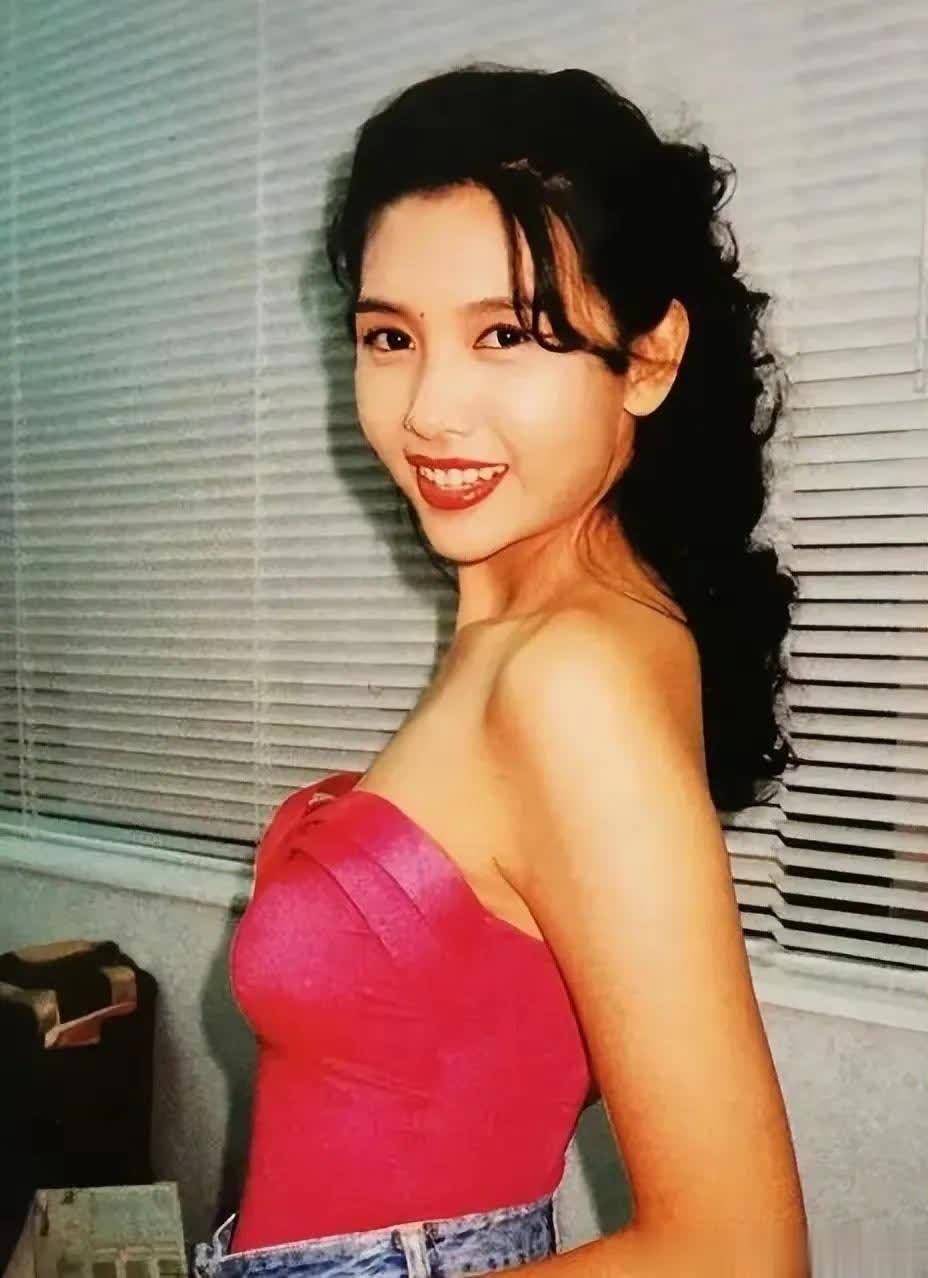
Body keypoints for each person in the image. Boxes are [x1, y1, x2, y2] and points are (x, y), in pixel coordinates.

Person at [193, 62, 810, 1278]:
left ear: (647, 357)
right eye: (390, 337)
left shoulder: (573, 678)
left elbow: (739, 1252)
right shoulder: (532, 633)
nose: (431, 408)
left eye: (506, 335)